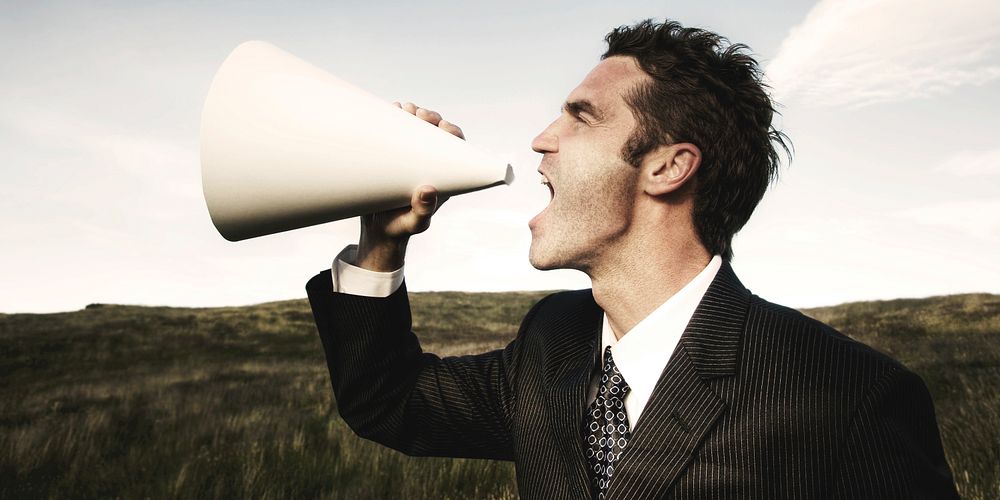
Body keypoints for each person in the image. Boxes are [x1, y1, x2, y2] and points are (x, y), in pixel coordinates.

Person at [307, 19, 958, 499]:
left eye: (581, 117)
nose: (540, 140)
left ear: (668, 166)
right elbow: (385, 401)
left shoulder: (849, 398)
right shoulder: (551, 343)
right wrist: (382, 242)